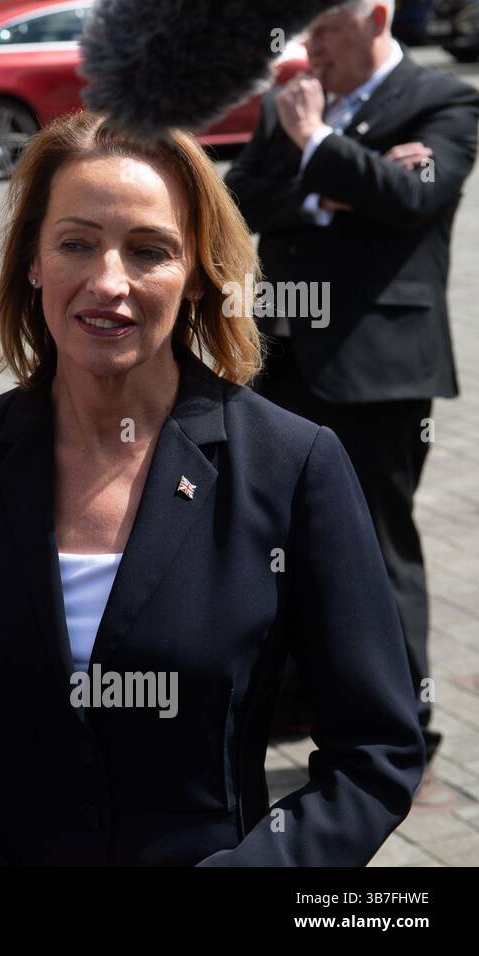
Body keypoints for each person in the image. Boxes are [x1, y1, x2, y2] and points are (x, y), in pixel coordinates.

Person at [0, 110, 425, 866]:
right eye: (77, 243)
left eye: (149, 251)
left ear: (196, 277)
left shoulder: (294, 465)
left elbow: (376, 750)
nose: (108, 282)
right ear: (33, 260)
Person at [223, 0, 479, 766]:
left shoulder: (444, 100)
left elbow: (410, 199)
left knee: (373, 545)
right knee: (277, 542)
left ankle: (404, 728)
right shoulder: (297, 98)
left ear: (376, 17)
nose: (308, 48)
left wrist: (313, 145)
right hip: (281, 361)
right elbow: (238, 200)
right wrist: (328, 183)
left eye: (323, 30)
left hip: (376, 371)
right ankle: (296, 699)